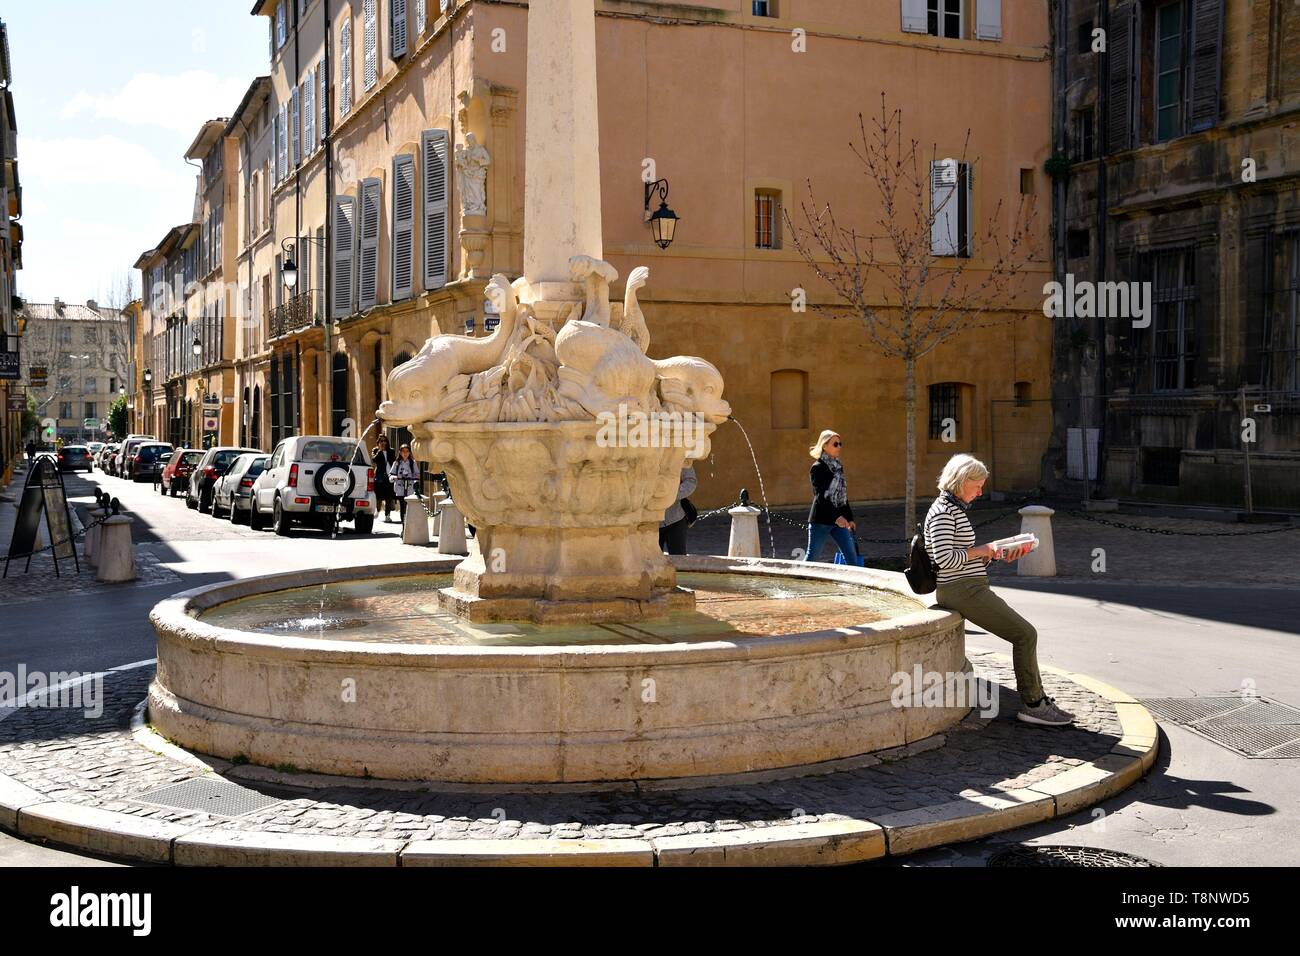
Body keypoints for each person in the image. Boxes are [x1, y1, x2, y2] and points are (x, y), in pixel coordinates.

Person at [924, 453, 1074, 727]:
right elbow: (944, 560)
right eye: (977, 485)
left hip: (968, 585)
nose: (981, 491)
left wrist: (995, 553)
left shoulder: (953, 508)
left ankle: (1038, 699)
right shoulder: (944, 512)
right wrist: (986, 549)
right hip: (961, 589)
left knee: (1024, 634)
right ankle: (1033, 704)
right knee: (1025, 634)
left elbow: (961, 554)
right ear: (960, 481)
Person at [803, 429, 859, 564]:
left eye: (840, 444)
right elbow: (820, 497)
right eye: (835, 444)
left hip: (839, 520)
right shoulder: (817, 468)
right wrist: (837, 517)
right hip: (821, 520)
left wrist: (849, 518)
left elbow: (842, 496)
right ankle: (798, 580)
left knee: (852, 558)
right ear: (824, 446)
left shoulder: (838, 467)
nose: (839, 447)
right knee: (812, 559)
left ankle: (854, 585)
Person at [659, 465, 697, 555]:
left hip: (675, 518)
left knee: (679, 558)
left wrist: (672, 494)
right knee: (649, 562)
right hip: (648, 522)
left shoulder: (678, 454)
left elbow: (691, 481)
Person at [390, 443, 420, 524]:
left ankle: (408, 524)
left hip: (409, 488)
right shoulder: (397, 463)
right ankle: (403, 523)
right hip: (400, 488)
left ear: (409, 453)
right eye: (403, 451)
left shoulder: (412, 463)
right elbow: (391, 474)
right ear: (400, 452)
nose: (405, 453)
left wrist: (415, 478)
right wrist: (394, 477)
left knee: (408, 506)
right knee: (402, 506)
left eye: (407, 451)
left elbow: (417, 474)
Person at [371, 435, 397, 521]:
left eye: (384, 441)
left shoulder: (391, 451)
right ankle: (377, 510)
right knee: (378, 495)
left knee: (388, 496)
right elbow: (374, 460)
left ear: (387, 442)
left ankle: (387, 515)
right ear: (378, 443)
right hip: (379, 475)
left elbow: (394, 461)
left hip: (389, 475)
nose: (383, 443)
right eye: (381, 441)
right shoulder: (375, 450)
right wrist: (380, 451)